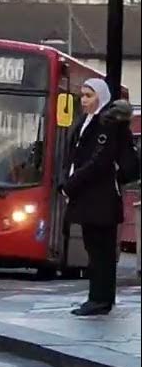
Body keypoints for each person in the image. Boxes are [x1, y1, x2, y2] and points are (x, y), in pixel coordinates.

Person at [63, 77, 132, 316]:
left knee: (101, 251)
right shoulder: (88, 120)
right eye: (82, 95)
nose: (83, 100)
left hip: (100, 198)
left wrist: (71, 184)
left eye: (89, 96)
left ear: (100, 97)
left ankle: (100, 300)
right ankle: (96, 298)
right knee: (93, 248)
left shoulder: (106, 123)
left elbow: (98, 162)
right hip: (88, 195)